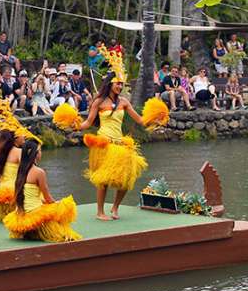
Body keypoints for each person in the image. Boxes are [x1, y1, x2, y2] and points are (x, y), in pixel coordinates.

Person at [55, 46, 169, 221]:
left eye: (122, 84)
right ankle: (100, 212)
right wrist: (74, 125)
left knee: (126, 179)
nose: (120, 86)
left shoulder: (124, 102)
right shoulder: (99, 102)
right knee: (104, 180)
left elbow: (139, 120)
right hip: (104, 143)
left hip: (120, 143)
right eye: (117, 83)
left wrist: (155, 119)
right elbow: (87, 122)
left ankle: (115, 208)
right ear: (110, 84)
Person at [2, 139, 81, 242]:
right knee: (66, 206)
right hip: (35, 215)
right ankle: (42, 231)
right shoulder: (39, 172)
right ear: (36, 154)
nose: (41, 153)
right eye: (40, 150)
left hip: (21, 217)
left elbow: (28, 196)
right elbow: (48, 198)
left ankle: (31, 233)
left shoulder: (20, 172)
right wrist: (57, 204)